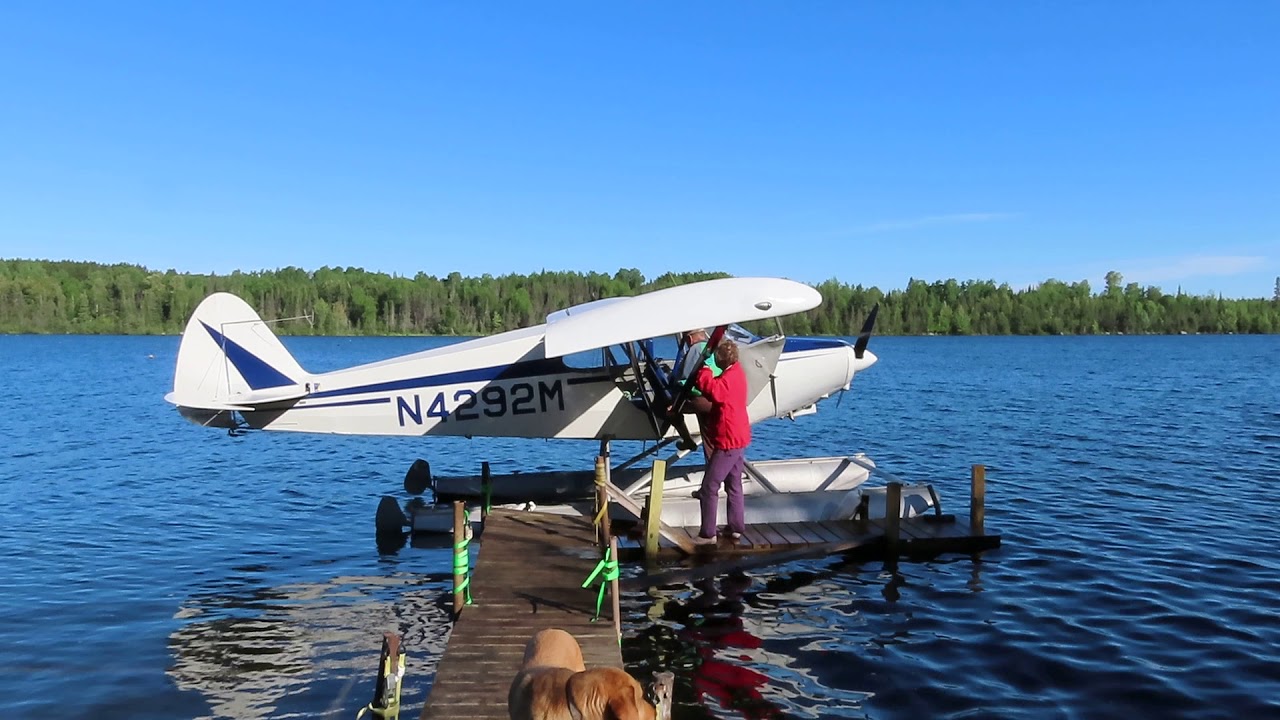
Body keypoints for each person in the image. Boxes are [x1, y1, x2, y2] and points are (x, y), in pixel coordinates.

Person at [689, 338, 750, 544]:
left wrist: (704, 368)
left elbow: (712, 389)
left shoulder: (727, 380)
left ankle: (708, 534)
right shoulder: (737, 373)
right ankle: (736, 527)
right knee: (734, 483)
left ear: (722, 360)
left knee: (709, 486)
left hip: (728, 439)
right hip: (740, 437)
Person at [674, 329, 719, 463]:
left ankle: (687, 440)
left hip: (702, 398)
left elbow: (685, 379)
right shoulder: (713, 347)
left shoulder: (695, 349)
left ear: (689, 339)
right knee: (715, 438)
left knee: (669, 410)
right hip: (717, 396)